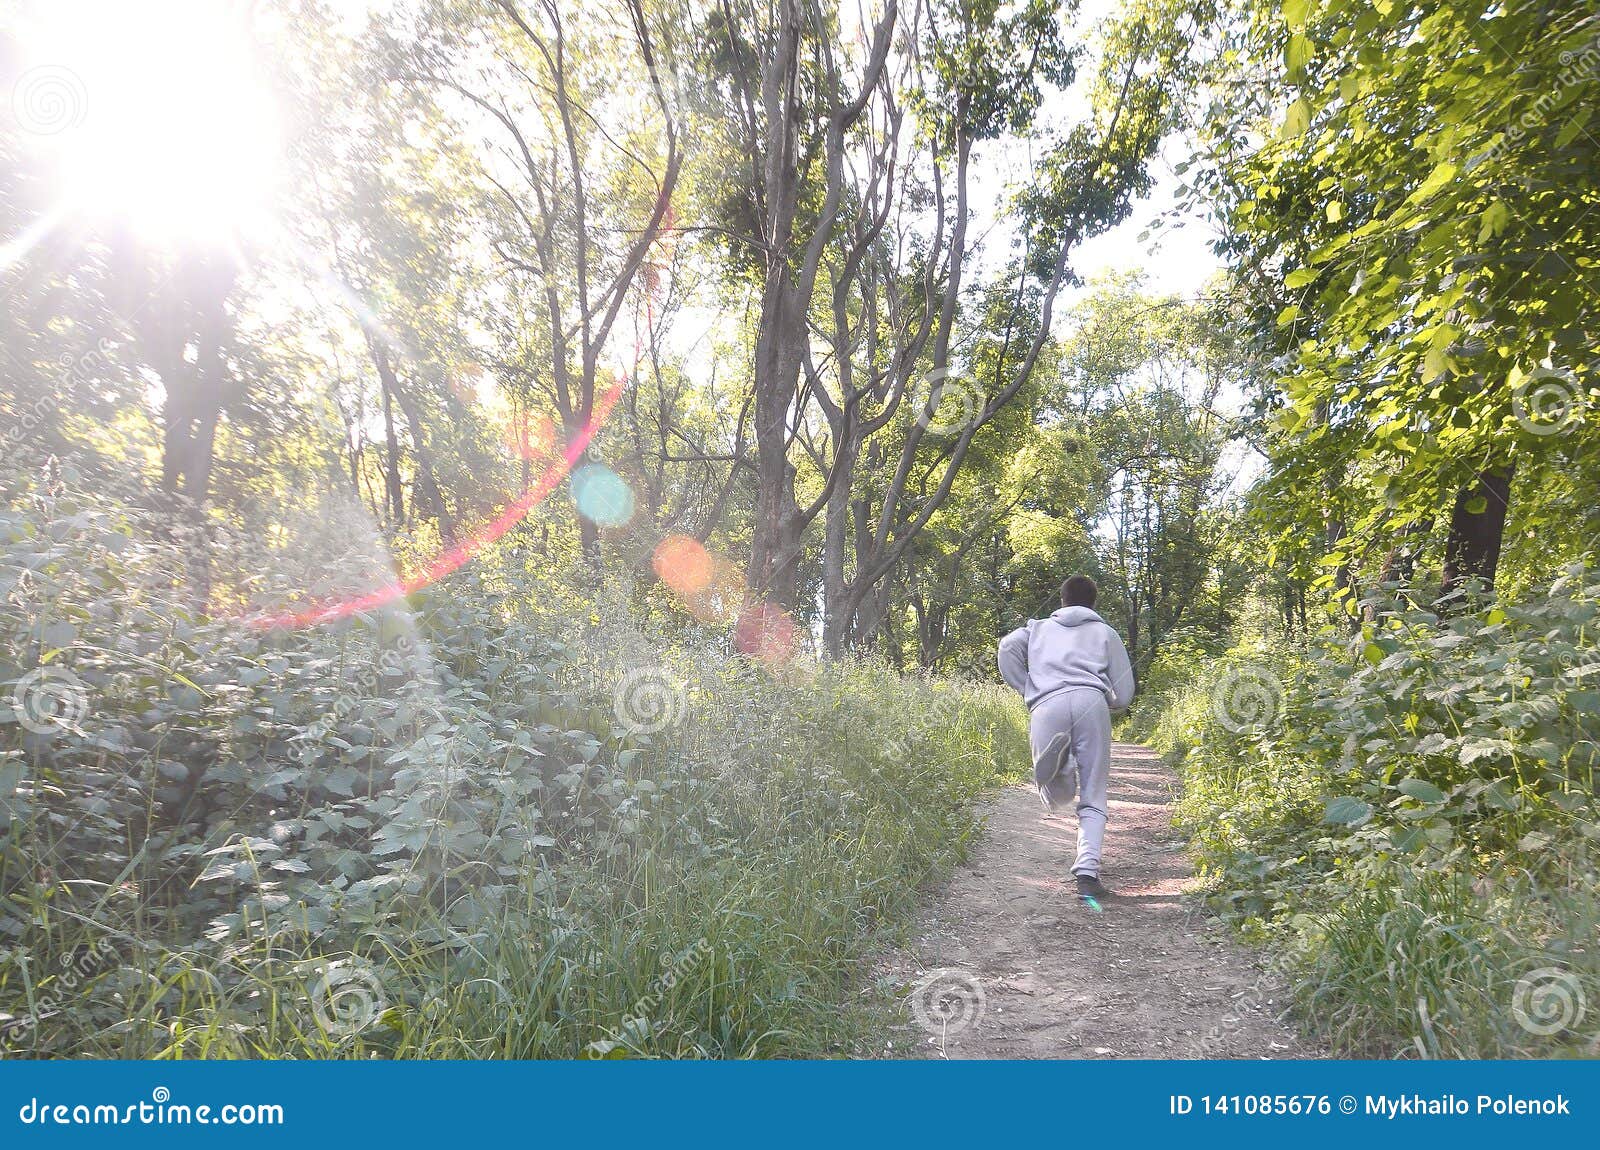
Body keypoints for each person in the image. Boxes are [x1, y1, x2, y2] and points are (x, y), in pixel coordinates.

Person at [997, 574, 1135, 900]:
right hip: (1091, 702)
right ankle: (1087, 873)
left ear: (1062, 601)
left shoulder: (1038, 628)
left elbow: (1005, 648)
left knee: (1055, 796)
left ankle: (1063, 766)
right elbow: (1126, 693)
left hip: (1047, 705)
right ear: (1093, 603)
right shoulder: (1106, 633)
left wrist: (1028, 688)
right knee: (1094, 792)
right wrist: (1109, 703)